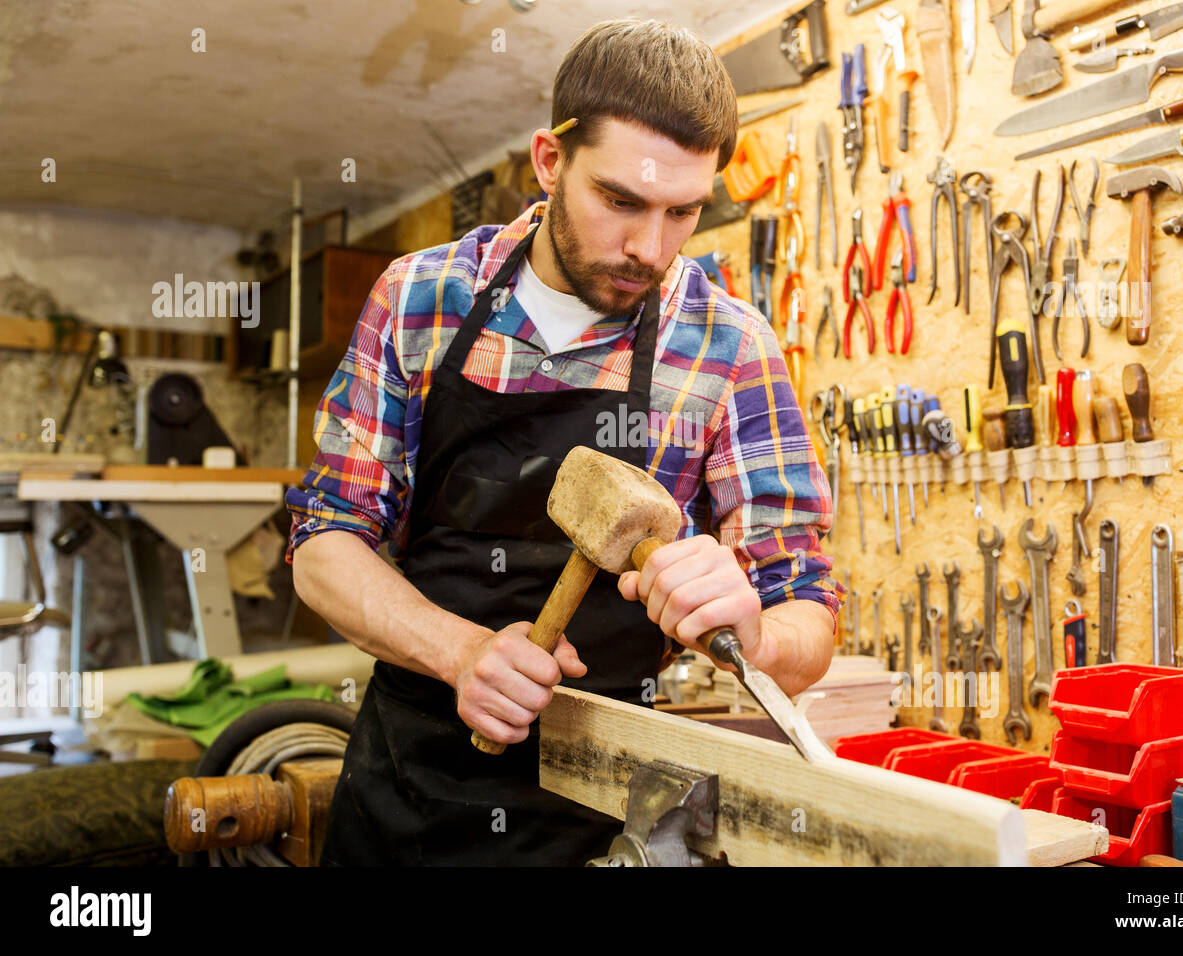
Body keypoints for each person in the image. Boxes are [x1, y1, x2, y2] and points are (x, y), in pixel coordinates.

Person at [286, 17, 842, 866]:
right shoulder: (423, 296)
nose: (649, 249)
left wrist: (757, 638)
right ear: (550, 162)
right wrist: (462, 652)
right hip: (408, 787)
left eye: (683, 211)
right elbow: (324, 543)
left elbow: (806, 609)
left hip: (606, 812)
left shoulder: (731, 345)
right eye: (619, 201)